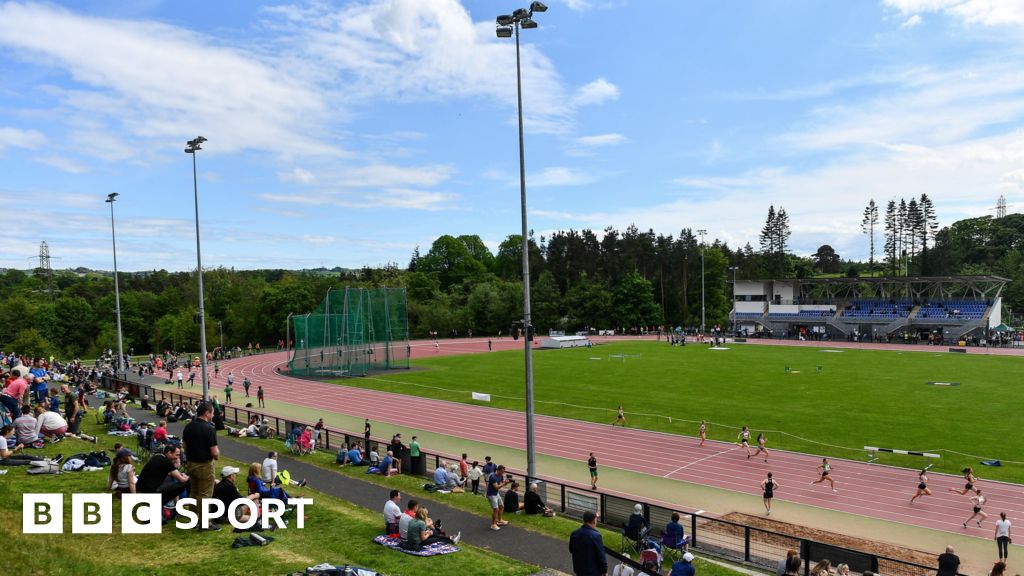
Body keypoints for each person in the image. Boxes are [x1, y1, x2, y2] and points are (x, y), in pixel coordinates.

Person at [182, 402, 220, 530]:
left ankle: (194, 518)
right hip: (204, 465)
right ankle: (205, 523)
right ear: (207, 413)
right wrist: (217, 456)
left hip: (191, 463)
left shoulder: (188, 427)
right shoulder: (209, 429)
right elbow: (214, 452)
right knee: (205, 494)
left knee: (194, 491)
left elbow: (185, 446)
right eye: (212, 412)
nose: (213, 415)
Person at [569, 511, 607, 576]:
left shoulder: (575, 533)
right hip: (593, 572)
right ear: (593, 521)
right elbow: (601, 557)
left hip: (579, 570)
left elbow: (571, 549)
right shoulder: (596, 536)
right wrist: (604, 571)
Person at [487, 464, 512, 530]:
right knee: (496, 509)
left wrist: (506, 481)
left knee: (501, 506)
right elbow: (496, 487)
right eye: (502, 471)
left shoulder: (500, 475)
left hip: (496, 493)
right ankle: (493, 525)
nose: (503, 473)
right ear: (498, 470)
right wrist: (504, 484)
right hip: (491, 494)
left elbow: (502, 482)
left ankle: (499, 520)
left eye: (503, 472)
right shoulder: (493, 477)